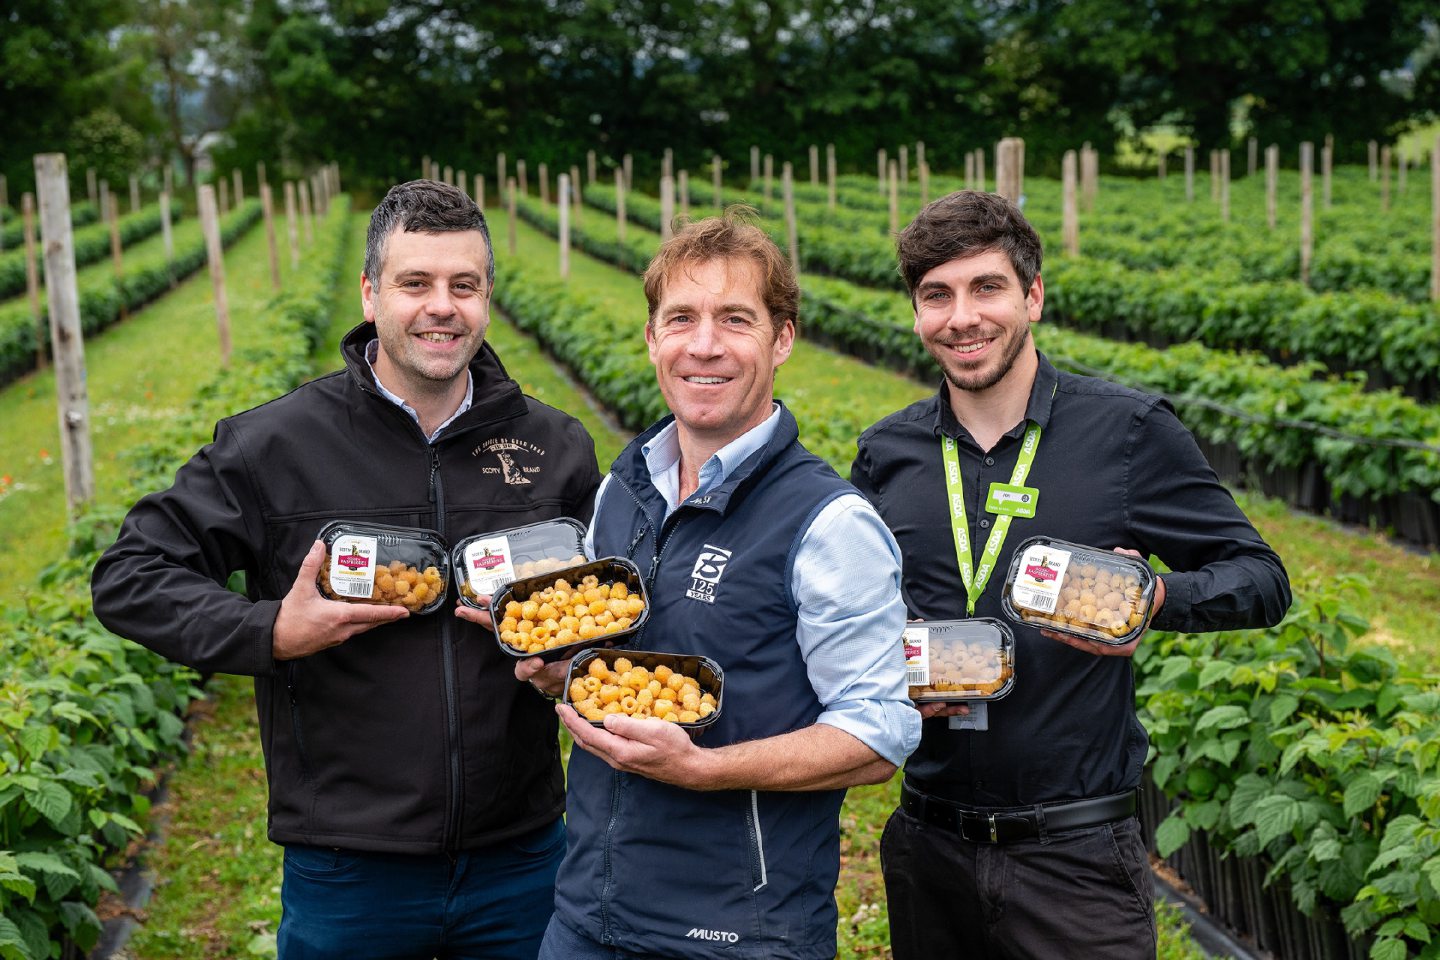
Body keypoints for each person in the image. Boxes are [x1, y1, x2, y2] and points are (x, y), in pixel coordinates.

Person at [91, 179, 602, 960]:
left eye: (464, 285)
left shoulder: (555, 449)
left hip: (523, 856)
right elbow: (130, 575)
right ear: (370, 295)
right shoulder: (275, 447)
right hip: (348, 870)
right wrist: (271, 630)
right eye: (414, 283)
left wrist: (576, 663)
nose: (442, 306)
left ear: (487, 298)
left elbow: (606, 612)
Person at [850, 190, 1292, 958]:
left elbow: (1260, 578)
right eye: (937, 296)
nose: (963, 318)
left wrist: (1158, 598)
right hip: (929, 841)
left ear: (1033, 296)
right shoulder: (887, 454)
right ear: (916, 312)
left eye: (987, 288)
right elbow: (849, 615)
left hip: (1075, 855)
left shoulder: (1126, 433)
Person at [506, 210, 921, 959]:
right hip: (590, 911)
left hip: (740, 930)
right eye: (681, 318)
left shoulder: (827, 523)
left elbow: (879, 736)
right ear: (652, 338)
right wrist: (560, 675)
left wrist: (704, 770)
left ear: (782, 338)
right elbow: (615, 673)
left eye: (735, 318)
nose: (703, 345)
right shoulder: (621, 491)